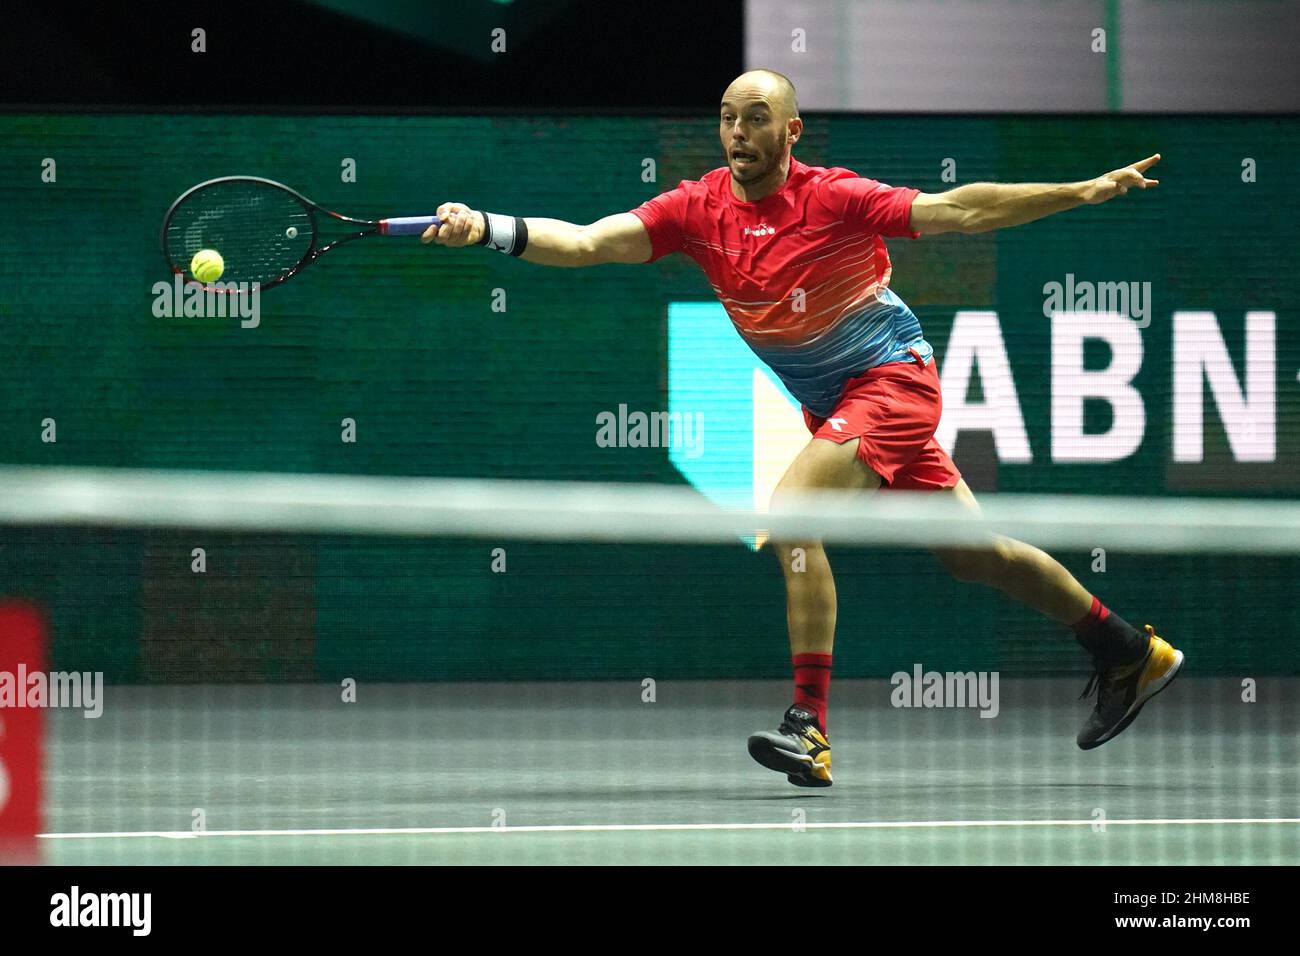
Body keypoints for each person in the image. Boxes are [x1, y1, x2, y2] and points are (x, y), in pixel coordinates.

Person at [423, 69, 1183, 788]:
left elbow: (960, 209)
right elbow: (588, 242)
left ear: (791, 131)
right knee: (974, 556)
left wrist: (1081, 190)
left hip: (892, 381)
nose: (738, 132)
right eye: (727, 119)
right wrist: (488, 226)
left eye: (757, 119)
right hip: (836, 406)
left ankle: (809, 728)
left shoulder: (836, 198)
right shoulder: (697, 209)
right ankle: (1126, 648)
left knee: (790, 517)